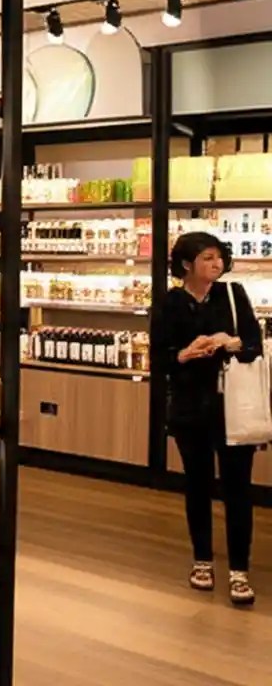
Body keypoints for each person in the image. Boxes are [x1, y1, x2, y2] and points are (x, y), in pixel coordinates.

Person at [159, 231, 263, 606]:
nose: (215, 265)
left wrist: (228, 341)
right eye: (206, 258)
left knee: (238, 490)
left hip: (233, 407)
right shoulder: (171, 303)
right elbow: (160, 357)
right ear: (186, 264)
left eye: (219, 257)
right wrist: (183, 355)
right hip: (190, 410)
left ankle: (239, 571)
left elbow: (254, 345)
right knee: (198, 486)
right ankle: (202, 560)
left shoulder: (232, 296)